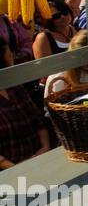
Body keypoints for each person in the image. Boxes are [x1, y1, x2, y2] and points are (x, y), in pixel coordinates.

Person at [0, 36, 50, 169]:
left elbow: (38, 120)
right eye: (8, 51)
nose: (12, 55)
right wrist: (16, 168)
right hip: (9, 172)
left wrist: (44, 149)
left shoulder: (15, 87)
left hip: (39, 159)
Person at [32, 0, 74, 80]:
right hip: (57, 83)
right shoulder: (43, 38)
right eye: (56, 16)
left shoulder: (79, 30)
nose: (62, 16)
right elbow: (45, 70)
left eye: (64, 12)